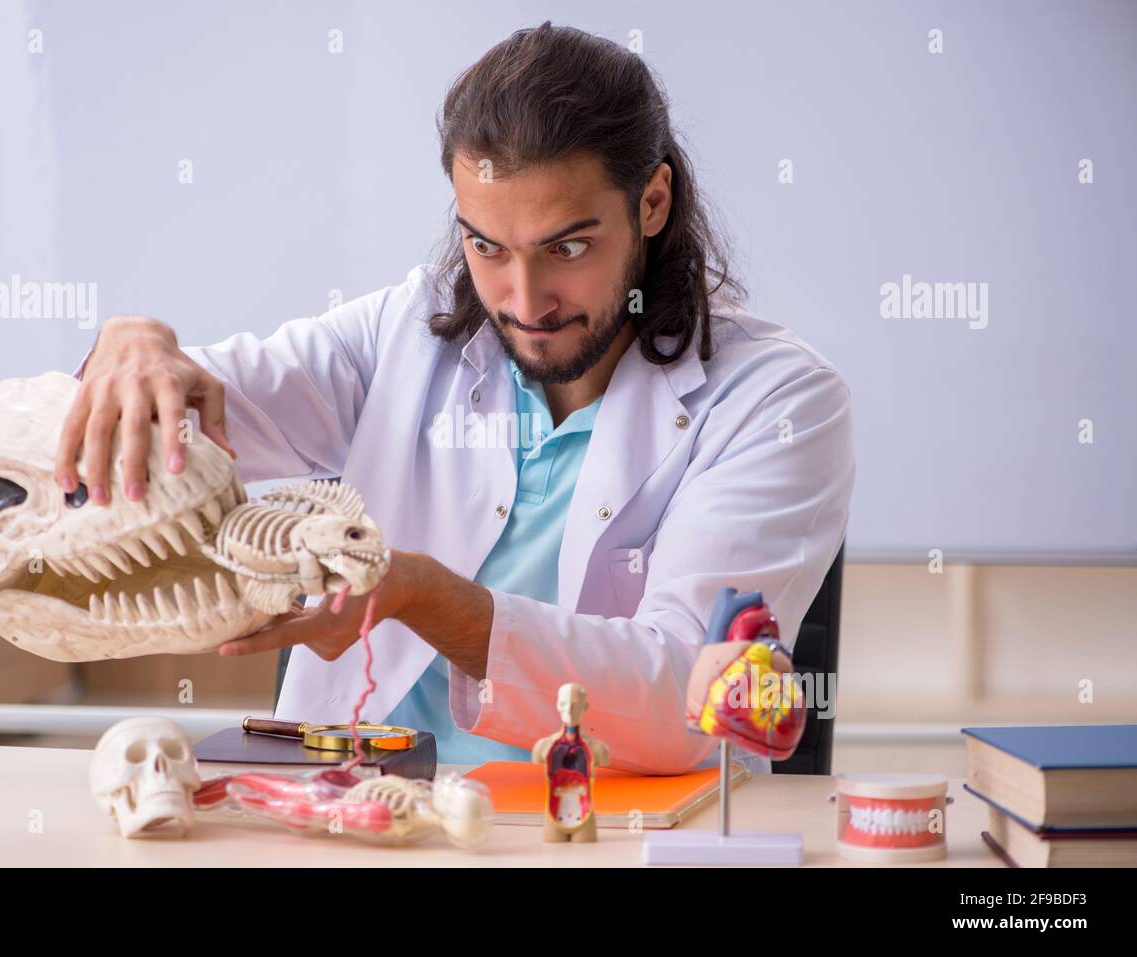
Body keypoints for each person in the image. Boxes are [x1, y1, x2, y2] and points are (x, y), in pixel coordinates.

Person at [58, 22, 855, 774]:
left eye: (567, 247)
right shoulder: (408, 332)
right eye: (487, 246)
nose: (525, 299)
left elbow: (688, 695)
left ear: (652, 202)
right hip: (363, 817)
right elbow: (197, 399)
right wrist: (137, 346)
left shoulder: (778, 401)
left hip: (594, 829)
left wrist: (425, 597)